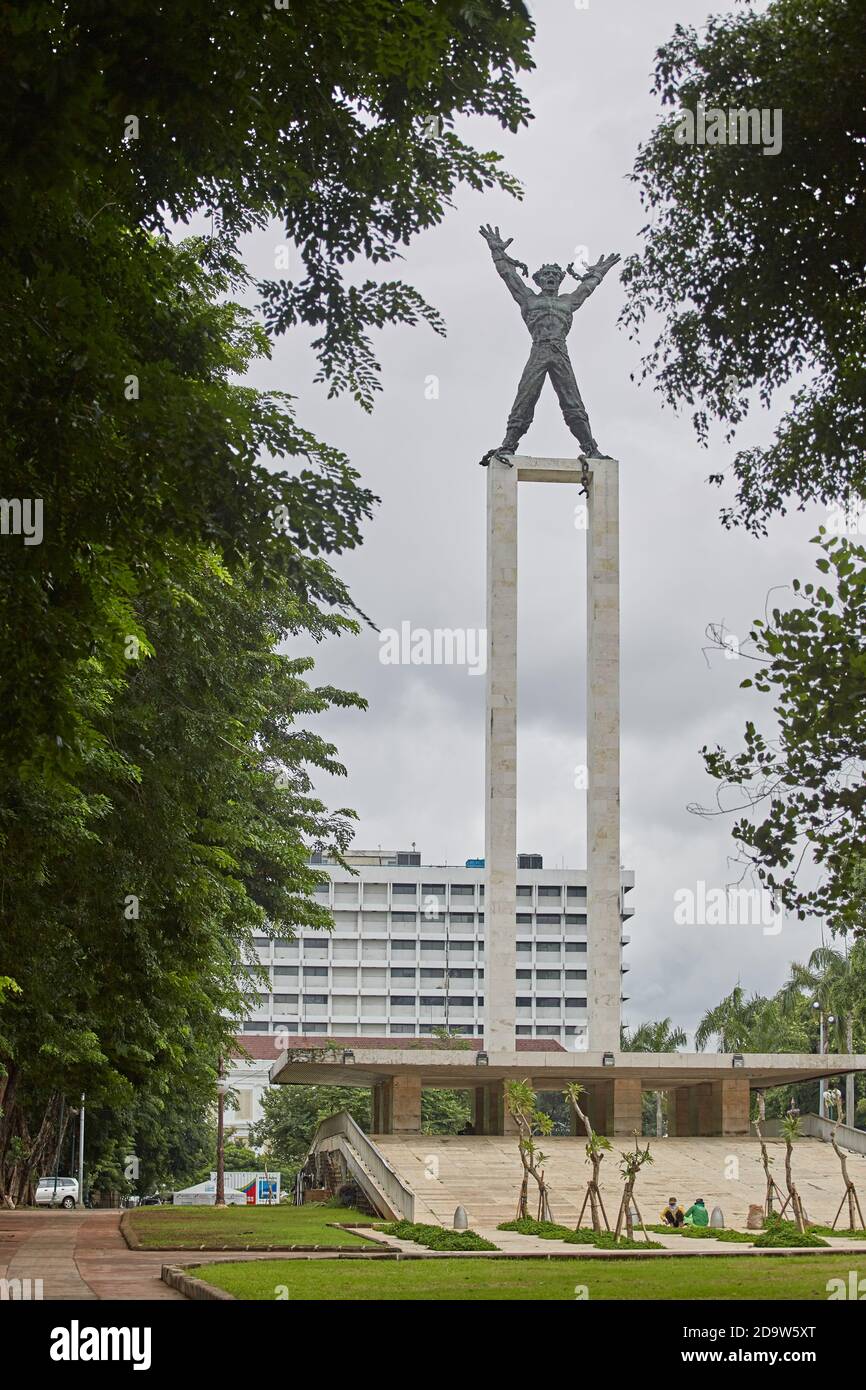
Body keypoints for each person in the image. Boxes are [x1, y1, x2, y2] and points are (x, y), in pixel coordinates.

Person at [479, 223, 620, 463]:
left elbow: (586, 288)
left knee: (573, 401)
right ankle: (508, 445)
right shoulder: (529, 299)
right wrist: (496, 251)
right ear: (538, 280)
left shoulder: (568, 302)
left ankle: (591, 449)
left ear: (560, 280)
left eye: (555, 276)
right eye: (547, 275)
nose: (551, 279)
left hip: (560, 352)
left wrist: (599, 272)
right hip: (539, 349)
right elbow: (509, 276)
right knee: (525, 397)